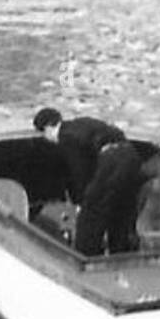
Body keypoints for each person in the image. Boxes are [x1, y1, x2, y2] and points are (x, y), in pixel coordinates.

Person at [33, 108, 145, 257]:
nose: (47, 138)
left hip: (112, 159)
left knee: (91, 215)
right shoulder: (81, 123)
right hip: (131, 156)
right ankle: (121, 252)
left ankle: (86, 256)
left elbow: (80, 170)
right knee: (121, 208)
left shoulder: (66, 136)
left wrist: (81, 202)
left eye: (43, 134)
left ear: (48, 128)